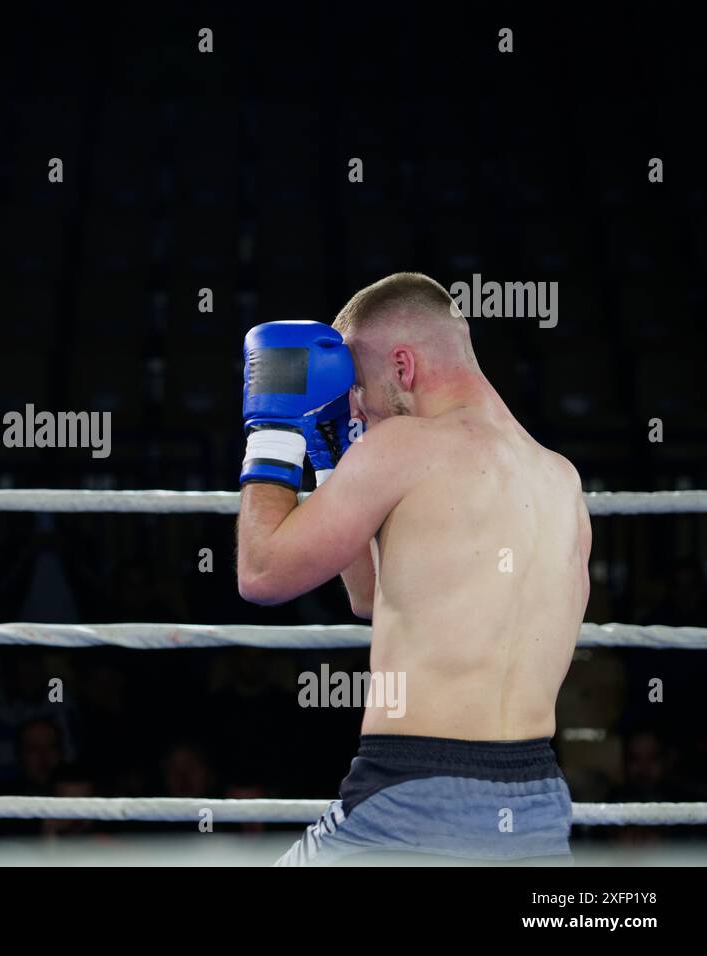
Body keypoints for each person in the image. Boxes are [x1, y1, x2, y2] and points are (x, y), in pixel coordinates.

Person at [236, 273, 590, 865]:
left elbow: (262, 573)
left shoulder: (403, 446)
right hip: (534, 806)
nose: (357, 406)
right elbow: (374, 597)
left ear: (402, 366)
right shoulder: (560, 478)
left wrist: (270, 434)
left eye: (361, 385)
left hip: (413, 795)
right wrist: (330, 463)